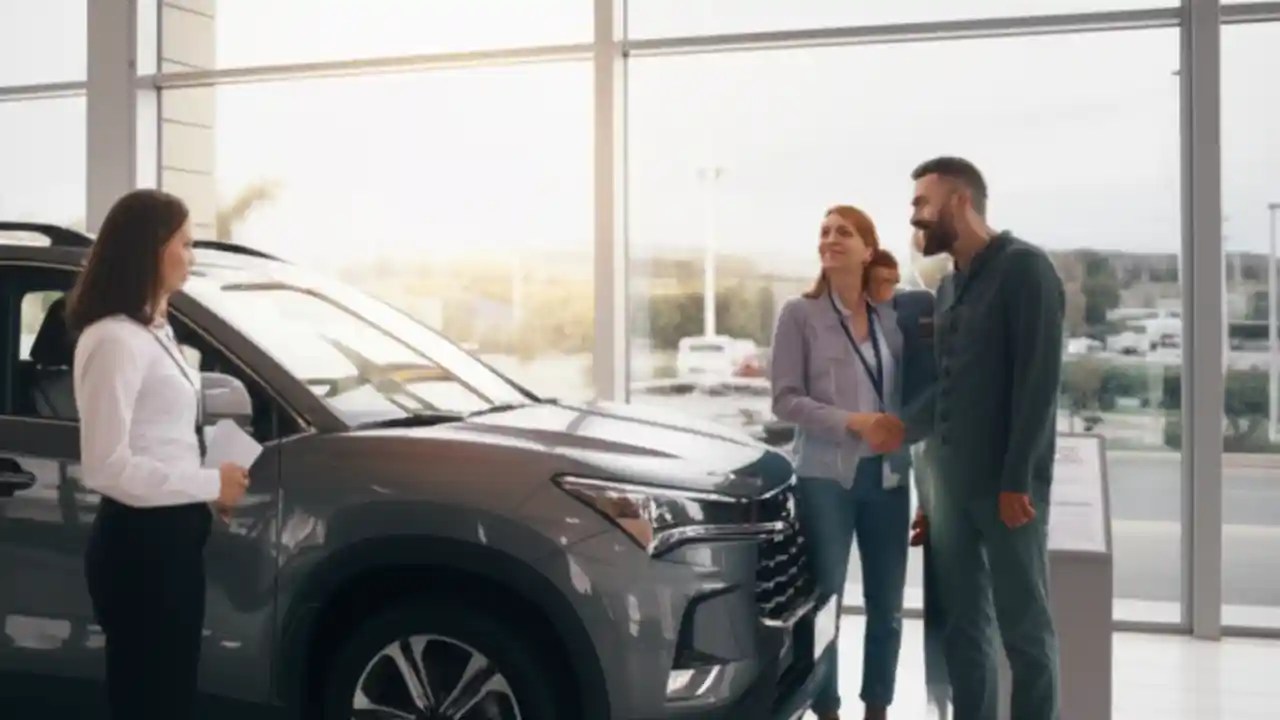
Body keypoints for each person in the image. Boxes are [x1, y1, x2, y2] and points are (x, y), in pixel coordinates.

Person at [68, 189, 251, 718]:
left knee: (169, 694)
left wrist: (209, 480)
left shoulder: (159, 334)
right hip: (139, 546)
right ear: (150, 248)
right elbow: (107, 465)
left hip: (173, 537)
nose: (192, 257)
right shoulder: (113, 340)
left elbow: (164, 438)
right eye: (185, 244)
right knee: (147, 698)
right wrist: (207, 484)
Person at [904, 156, 1065, 720]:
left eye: (922, 204)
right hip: (948, 488)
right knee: (964, 629)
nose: (915, 216)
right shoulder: (947, 288)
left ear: (958, 203)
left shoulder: (1027, 269)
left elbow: (1038, 382)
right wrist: (928, 493)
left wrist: (1019, 479)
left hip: (1007, 490)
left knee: (1025, 631)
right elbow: (946, 393)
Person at [770, 204, 912, 720]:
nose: (830, 239)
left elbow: (911, 396)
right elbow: (785, 400)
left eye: (843, 233)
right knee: (826, 602)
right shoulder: (799, 314)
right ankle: (824, 709)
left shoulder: (893, 319)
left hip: (891, 478)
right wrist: (855, 421)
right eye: (824, 231)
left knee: (888, 609)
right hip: (824, 478)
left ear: (868, 249)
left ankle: (878, 709)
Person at [899, 229, 952, 718]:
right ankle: (940, 700)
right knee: (942, 607)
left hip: (968, 475)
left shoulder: (964, 302)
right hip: (929, 472)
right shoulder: (913, 307)